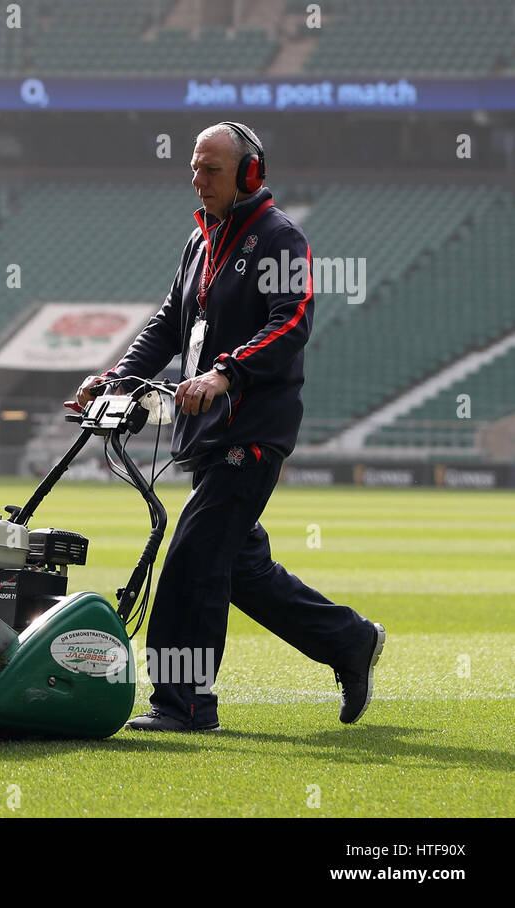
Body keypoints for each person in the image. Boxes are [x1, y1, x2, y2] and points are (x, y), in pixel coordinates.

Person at [74, 122, 385, 731]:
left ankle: (183, 703)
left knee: (192, 557)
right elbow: (169, 322)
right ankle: (349, 640)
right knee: (238, 567)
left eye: (212, 169)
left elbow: (290, 319)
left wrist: (223, 374)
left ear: (250, 173)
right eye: (194, 167)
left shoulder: (280, 239)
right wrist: (113, 378)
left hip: (252, 432)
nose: (198, 179)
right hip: (208, 435)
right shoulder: (202, 242)